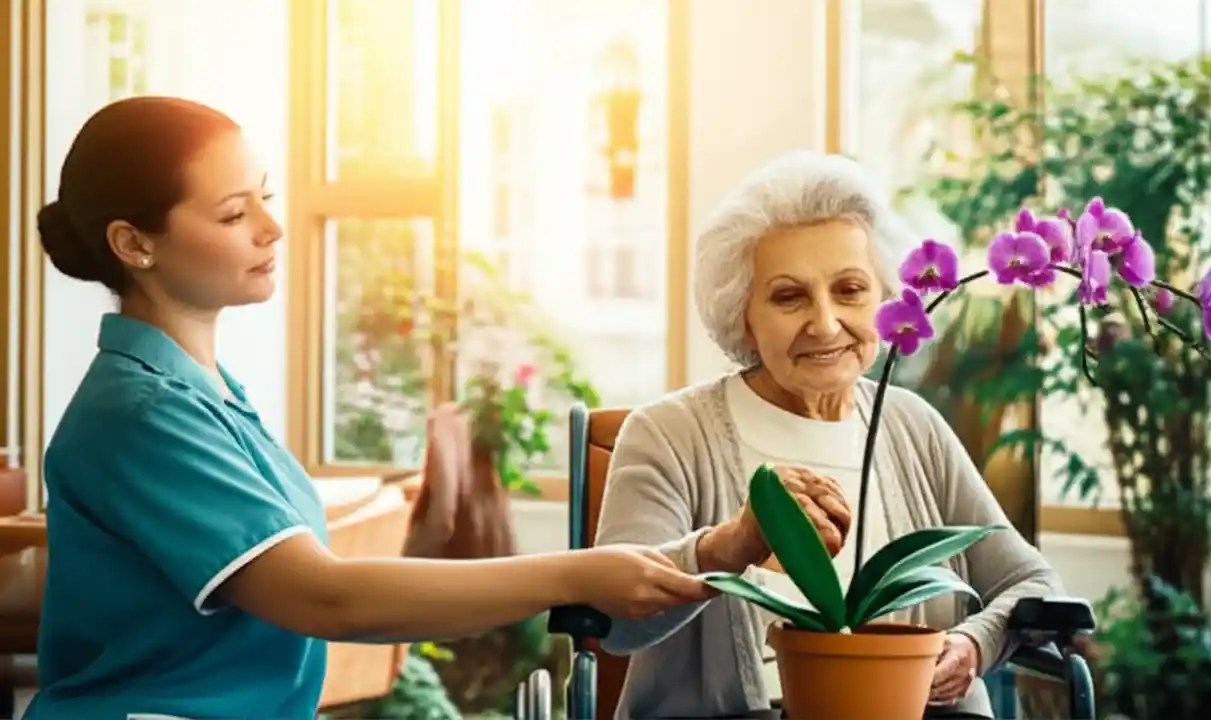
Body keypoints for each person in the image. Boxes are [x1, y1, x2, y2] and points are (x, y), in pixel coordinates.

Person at [26, 96, 714, 720]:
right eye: (235, 214)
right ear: (134, 243)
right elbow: (324, 597)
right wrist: (574, 571)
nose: (272, 228)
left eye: (266, 199)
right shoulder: (142, 412)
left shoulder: (204, 392)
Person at [593, 150, 1066, 719]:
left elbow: (1033, 582)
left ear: (885, 297)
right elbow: (614, 622)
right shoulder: (667, 434)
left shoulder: (911, 425)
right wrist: (731, 545)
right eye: (789, 296)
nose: (824, 323)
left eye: (849, 289)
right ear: (742, 313)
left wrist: (974, 642)